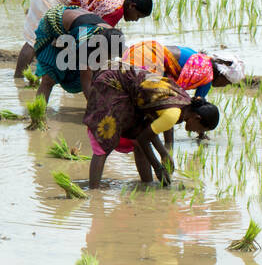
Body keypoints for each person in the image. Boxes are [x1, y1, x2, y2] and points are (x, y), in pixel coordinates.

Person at [83, 64, 218, 188]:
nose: (196, 132)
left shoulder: (184, 101)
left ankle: (146, 184)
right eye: (200, 129)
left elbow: (148, 131)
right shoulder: (173, 115)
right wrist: (157, 167)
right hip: (113, 84)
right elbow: (144, 138)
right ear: (197, 118)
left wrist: (164, 154)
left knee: (137, 139)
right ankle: (93, 194)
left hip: (127, 83)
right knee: (105, 143)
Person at [16, 0, 151, 75]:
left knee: (66, 41)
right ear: (131, 6)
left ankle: (56, 73)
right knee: (34, 39)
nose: (135, 20)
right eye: (138, 16)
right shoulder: (116, 9)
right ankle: (19, 80)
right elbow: (99, 41)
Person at [121, 41, 244, 147]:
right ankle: (158, 145)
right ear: (222, 75)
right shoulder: (207, 77)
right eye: (227, 83)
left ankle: (140, 140)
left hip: (140, 49)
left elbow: (198, 107)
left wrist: (201, 133)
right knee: (162, 106)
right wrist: (201, 133)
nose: (225, 86)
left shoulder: (202, 61)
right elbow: (187, 106)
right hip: (149, 59)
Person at [32, 5, 125, 100]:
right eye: (107, 55)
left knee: (95, 70)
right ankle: (39, 111)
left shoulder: (112, 36)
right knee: (49, 78)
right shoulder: (87, 43)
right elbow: (86, 84)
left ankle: (63, 43)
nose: (108, 59)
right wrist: (96, 109)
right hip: (53, 25)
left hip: (74, 32)